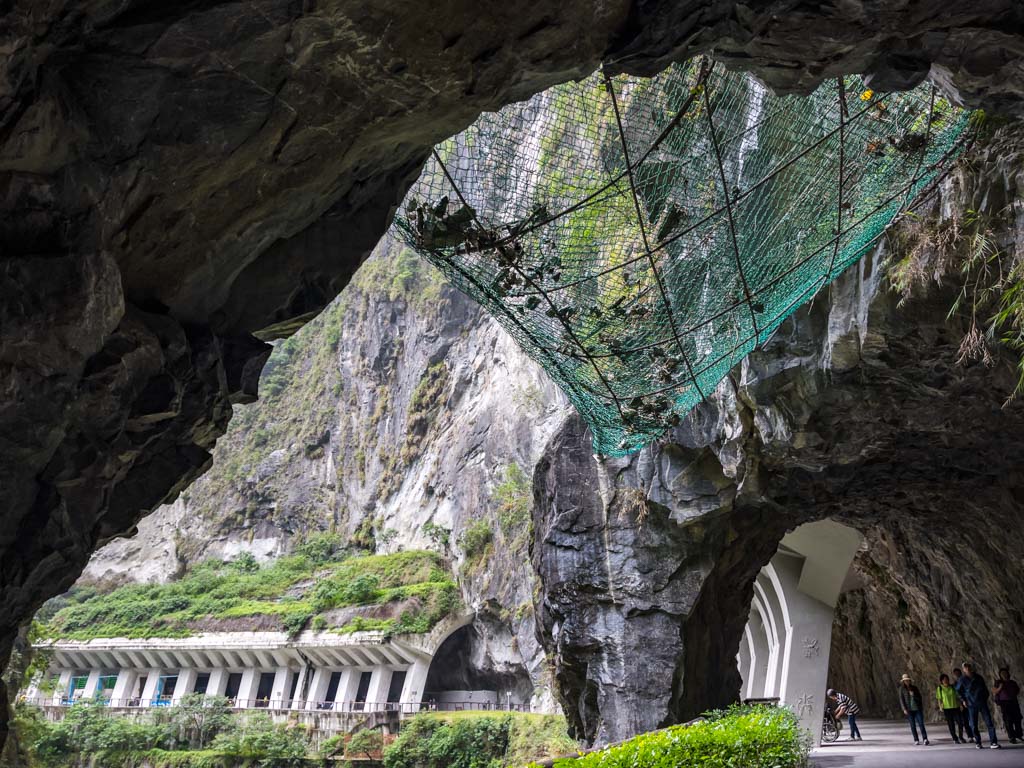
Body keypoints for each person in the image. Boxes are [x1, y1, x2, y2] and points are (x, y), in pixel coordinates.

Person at [962, 662, 1001, 749]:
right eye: (965, 667)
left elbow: (984, 688)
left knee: (989, 722)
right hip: (971, 704)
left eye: (968, 666)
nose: (967, 668)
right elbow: (958, 691)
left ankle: (993, 742)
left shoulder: (978, 677)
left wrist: (984, 697)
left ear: (971, 667)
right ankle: (978, 742)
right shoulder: (963, 680)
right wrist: (963, 700)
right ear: (963, 670)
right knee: (974, 725)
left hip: (982, 703)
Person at [992, 667, 1023, 744]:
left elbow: (1017, 690)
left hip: (1013, 702)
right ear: (1000, 675)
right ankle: (1011, 737)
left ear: (1008, 674)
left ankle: (1019, 735)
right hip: (1005, 703)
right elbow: (994, 691)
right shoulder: (998, 682)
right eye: (1002, 674)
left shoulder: (1012, 682)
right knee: (1008, 721)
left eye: (1005, 673)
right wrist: (1000, 687)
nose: (1004, 675)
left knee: (1018, 719)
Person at [898, 674, 929, 745]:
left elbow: (920, 698)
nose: (906, 681)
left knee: (921, 724)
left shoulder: (914, 688)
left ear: (909, 680)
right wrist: (904, 709)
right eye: (905, 681)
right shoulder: (901, 689)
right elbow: (901, 700)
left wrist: (913, 695)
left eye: (907, 680)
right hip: (909, 710)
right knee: (913, 725)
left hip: (917, 709)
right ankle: (916, 739)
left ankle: (925, 739)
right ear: (903, 681)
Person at [936, 674, 964, 743]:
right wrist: (940, 706)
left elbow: (957, 696)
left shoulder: (953, 687)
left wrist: (961, 704)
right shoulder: (940, 688)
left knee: (960, 722)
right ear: (941, 681)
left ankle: (961, 737)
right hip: (947, 708)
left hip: (955, 707)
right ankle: (955, 738)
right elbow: (939, 699)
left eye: (947, 679)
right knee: (951, 724)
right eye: (944, 679)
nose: (946, 680)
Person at [953, 668, 975, 742]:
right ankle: (970, 736)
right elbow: (956, 695)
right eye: (955, 674)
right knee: (965, 721)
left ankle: (975, 735)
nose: (957, 675)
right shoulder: (955, 684)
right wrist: (960, 704)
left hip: (969, 702)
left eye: (958, 673)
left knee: (972, 720)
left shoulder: (965, 681)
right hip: (962, 704)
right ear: (954, 675)